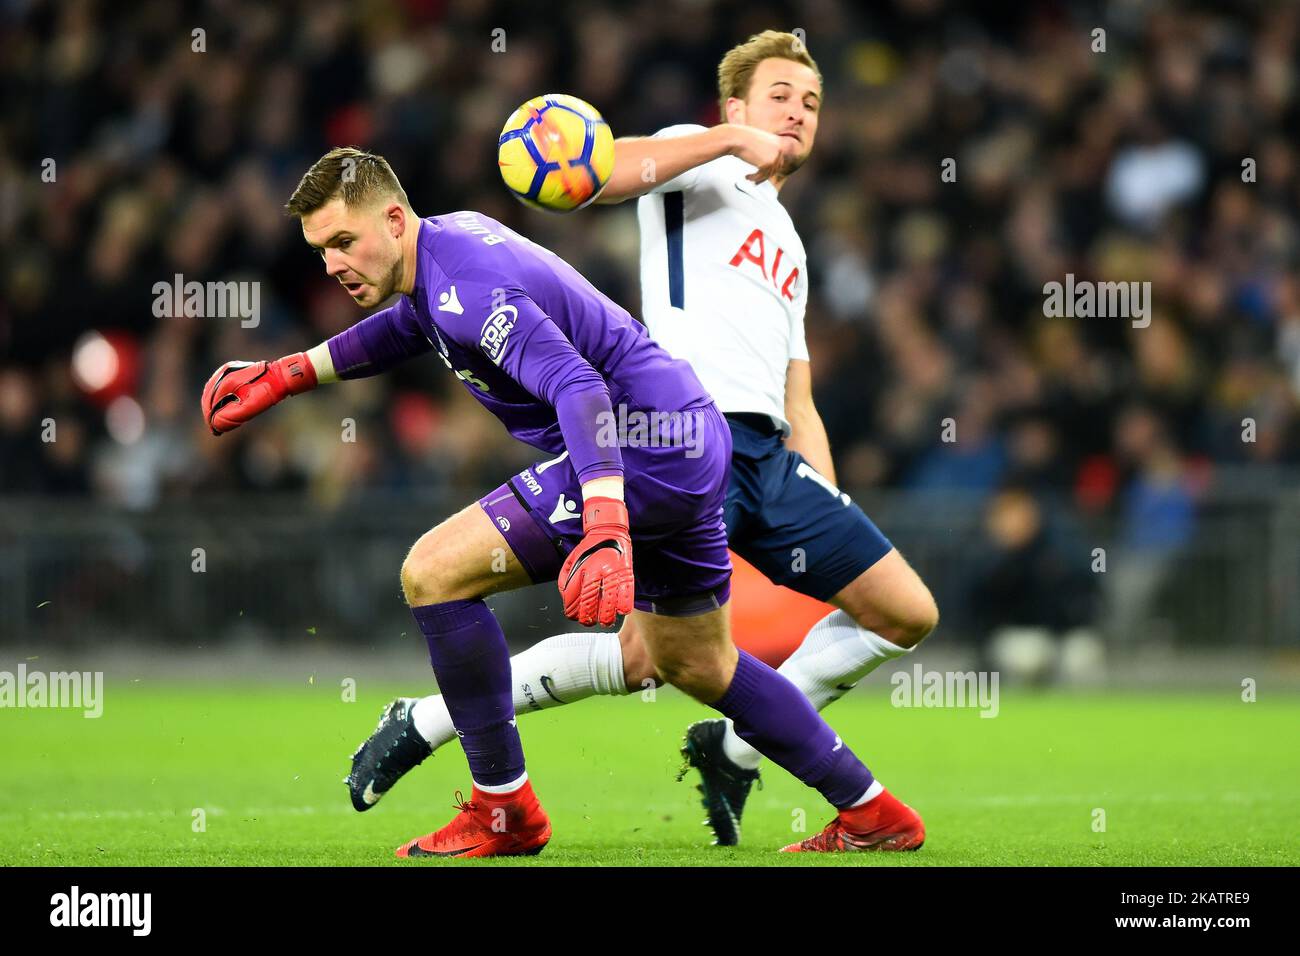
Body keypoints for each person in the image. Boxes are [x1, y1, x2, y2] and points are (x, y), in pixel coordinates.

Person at [202, 146, 923, 856]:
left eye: (341, 242)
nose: (331, 264)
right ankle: (873, 812)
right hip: (690, 438)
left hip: (639, 448)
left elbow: (578, 388)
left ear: (392, 219)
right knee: (702, 665)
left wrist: (605, 522)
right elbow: (412, 326)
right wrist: (292, 373)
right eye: (321, 250)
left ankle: (502, 810)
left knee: (434, 573)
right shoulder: (443, 251)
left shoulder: (468, 286)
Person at [351, 31, 938, 851]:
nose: (797, 114)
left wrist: (823, 484)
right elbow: (593, 177)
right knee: (652, 658)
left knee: (904, 613)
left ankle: (732, 749)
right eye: (778, 97)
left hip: (769, 458)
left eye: (810, 103)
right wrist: (731, 140)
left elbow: (797, 385)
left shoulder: (792, 247)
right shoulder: (694, 159)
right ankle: (430, 724)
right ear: (735, 107)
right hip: (680, 432)